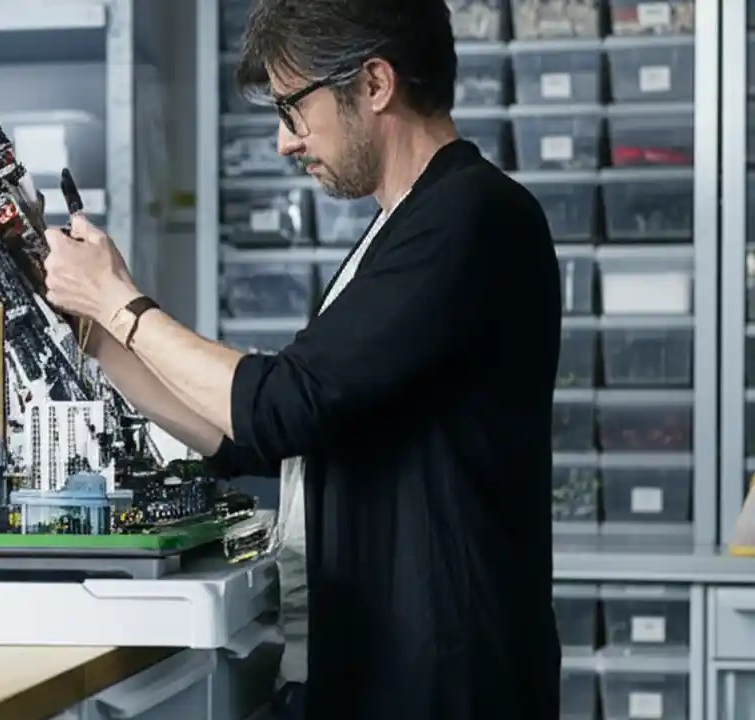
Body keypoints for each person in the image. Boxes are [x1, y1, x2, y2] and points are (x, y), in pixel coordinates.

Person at [41, 0, 561, 717]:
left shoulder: (470, 217)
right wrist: (97, 329)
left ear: (374, 84)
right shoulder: (399, 231)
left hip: (444, 681)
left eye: (293, 108)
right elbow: (254, 433)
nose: (286, 142)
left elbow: (283, 404)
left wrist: (121, 304)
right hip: (380, 665)